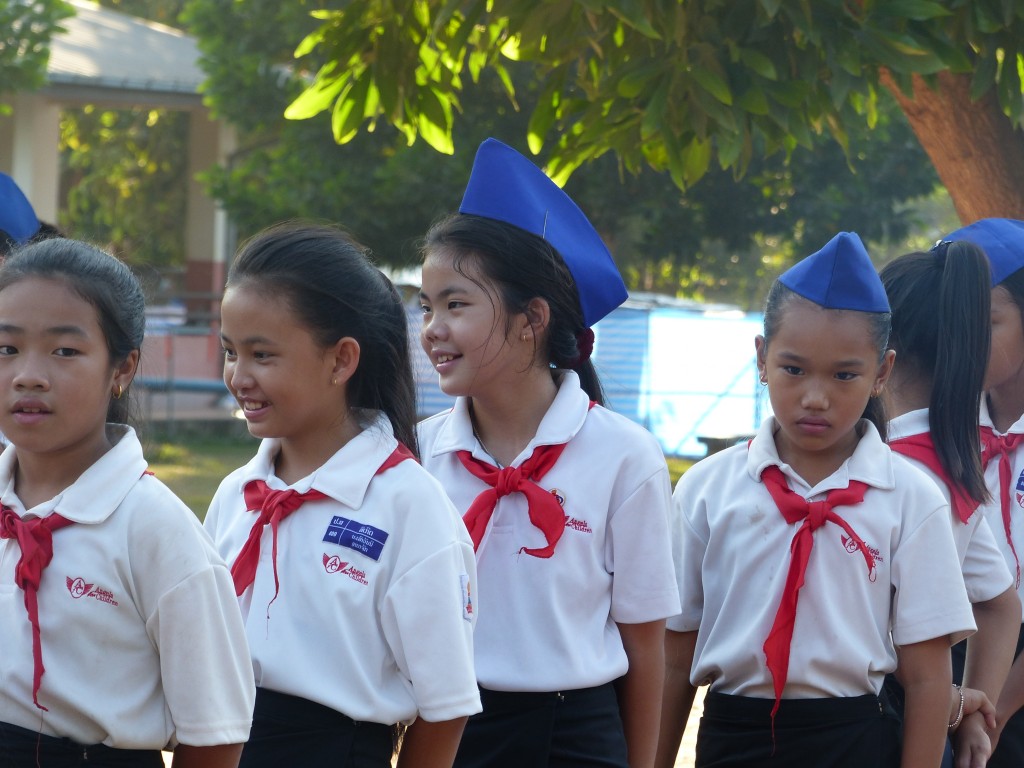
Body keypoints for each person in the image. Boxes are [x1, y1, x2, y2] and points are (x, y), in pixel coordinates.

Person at [657, 232, 977, 768]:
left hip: (855, 740)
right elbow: (672, 657)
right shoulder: (707, 489)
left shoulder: (911, 498)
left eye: (845, 375)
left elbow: (926, 678)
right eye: (793, 369)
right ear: (761, 359)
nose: (815, 397)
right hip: (733, 739)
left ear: (882, 373)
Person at [417, 137, 681, 768]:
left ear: (531, 318)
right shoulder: (420, 452)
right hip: (453, 731)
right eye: (426, 306)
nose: (432, 328)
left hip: (579, 737)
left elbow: (646, 644)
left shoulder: (624, 456)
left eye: (456, 304)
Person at [204, 223, 480, 768]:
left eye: (263, 355)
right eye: (230, 352)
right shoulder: (239, 493)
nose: (239, 377)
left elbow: (445, 708)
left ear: (340, 360)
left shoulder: (408, 505)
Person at [0, 238, 255, 766]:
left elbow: (215, 734)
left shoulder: (156, 530)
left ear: (122, 369)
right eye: (6, 348)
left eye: (64, 350)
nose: (28, 373)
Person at [880, 240, 1020, 768]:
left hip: (869, 727)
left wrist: (961, 704)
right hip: (930, 725)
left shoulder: (886, 471)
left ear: (882, 354)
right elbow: (1001, 602)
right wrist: (972, 717)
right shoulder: (952, 467)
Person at [939, 217, 1024, 766]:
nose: (960, 341)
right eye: (950, 321)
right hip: (942, 677)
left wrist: (990, 709)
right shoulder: (935, 431)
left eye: (984, 321)